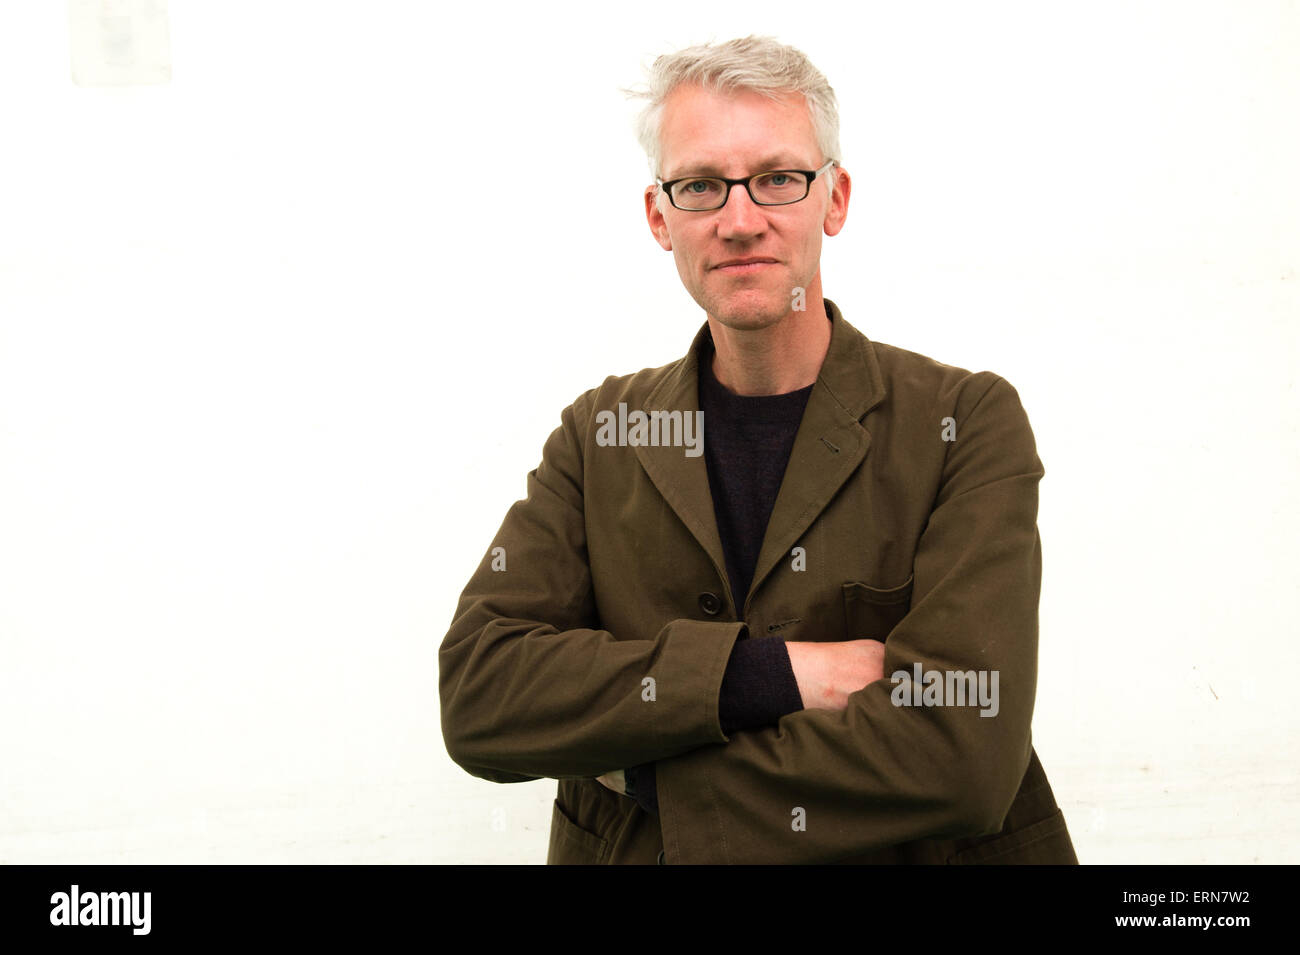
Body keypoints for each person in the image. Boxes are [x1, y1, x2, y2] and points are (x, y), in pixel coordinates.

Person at [439, 35, 1078, 864]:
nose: (740, 221)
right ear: (659, 217)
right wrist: (772, 677)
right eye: (701, 185)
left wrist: (650, 777)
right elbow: (482, 693)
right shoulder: (600, 435)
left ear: (835, 199)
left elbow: (962, 752)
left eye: (778, 178)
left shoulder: (966, 422)